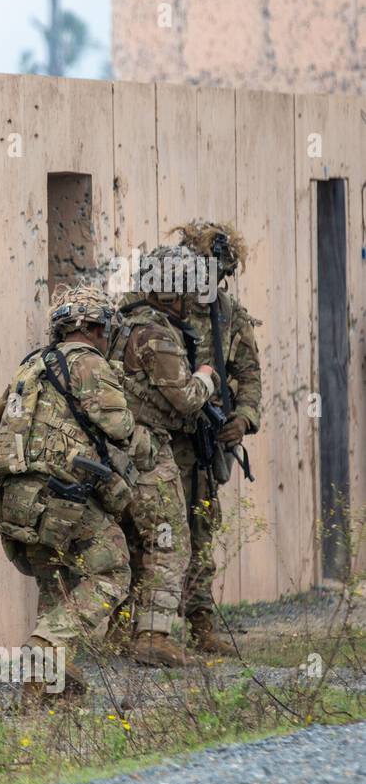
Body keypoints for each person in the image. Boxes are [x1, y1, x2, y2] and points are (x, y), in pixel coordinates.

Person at [0, 284, 136, 705]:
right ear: (93, 326)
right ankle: (46, 647)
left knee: (58, 587)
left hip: (16, 497)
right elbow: (122, 428)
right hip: (63, 495)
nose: (108, 338)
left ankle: (43, 691)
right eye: (106, 329)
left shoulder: (30, 365)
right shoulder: (88, 364)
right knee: (112, 570)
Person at [108, 245, 220, 666]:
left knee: (135, 542)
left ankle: (124, 633)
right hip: (148, 452)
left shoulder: (121, 323)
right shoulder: (155, 333)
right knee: (170, 540)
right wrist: (206, 378)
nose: (193, 296)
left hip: (121, 450)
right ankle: (153, 637)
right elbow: (187, 399)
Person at [169, 220, 263, 655]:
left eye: (218, 273)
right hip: (167, 437)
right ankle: (141, 626)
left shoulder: (231, 315)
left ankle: (199, 622)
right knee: (157, 530)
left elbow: (249, 375)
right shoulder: (169, 310)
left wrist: (241, 419)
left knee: (202, 528)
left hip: (208, 441)